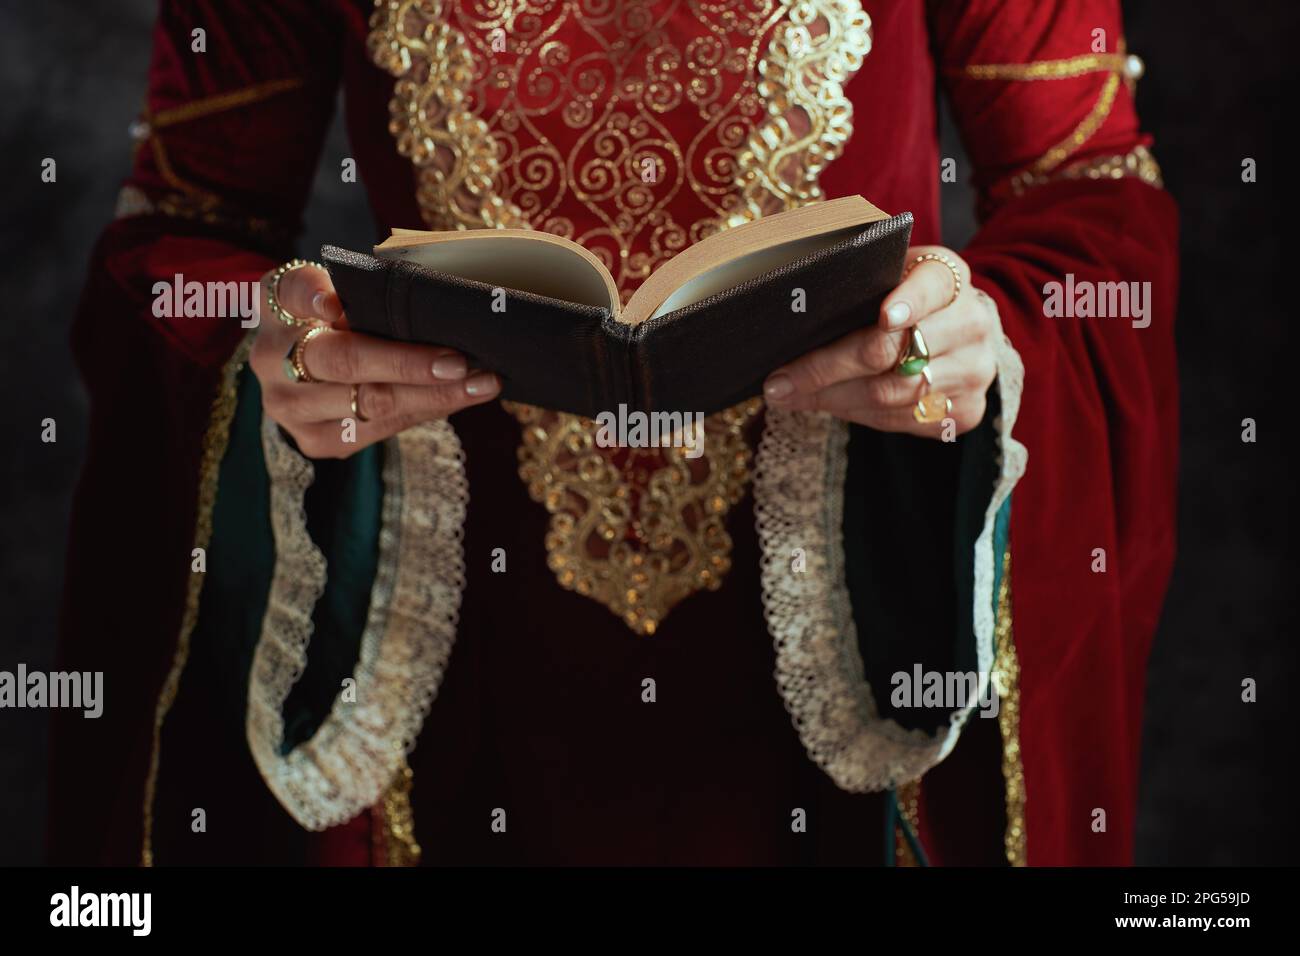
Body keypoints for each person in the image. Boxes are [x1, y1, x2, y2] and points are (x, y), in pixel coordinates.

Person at [50, 0, 1178, 866]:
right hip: (457, 663)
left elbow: (1089, 193)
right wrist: (278, 349)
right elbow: (184, 231)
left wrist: (981, 336)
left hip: (861, 621)